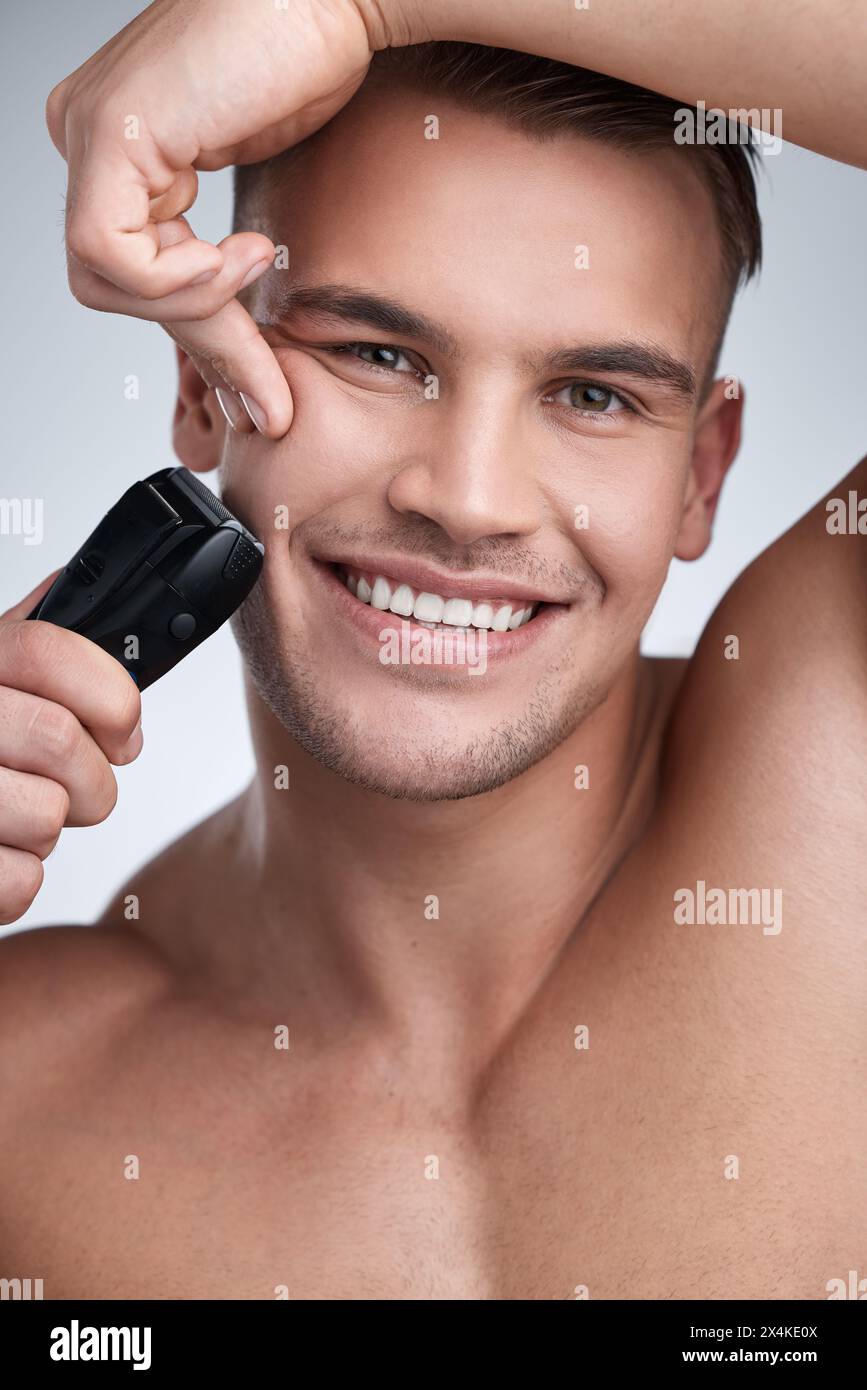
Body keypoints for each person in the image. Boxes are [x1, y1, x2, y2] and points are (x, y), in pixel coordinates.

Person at [0, 0, 864, 1299]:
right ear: (198, 386)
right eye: (379, 352)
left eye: (592, 395)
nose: (466, 498)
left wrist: (359, 1)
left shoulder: (843, 748)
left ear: (704, 469)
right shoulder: (30, 1087)